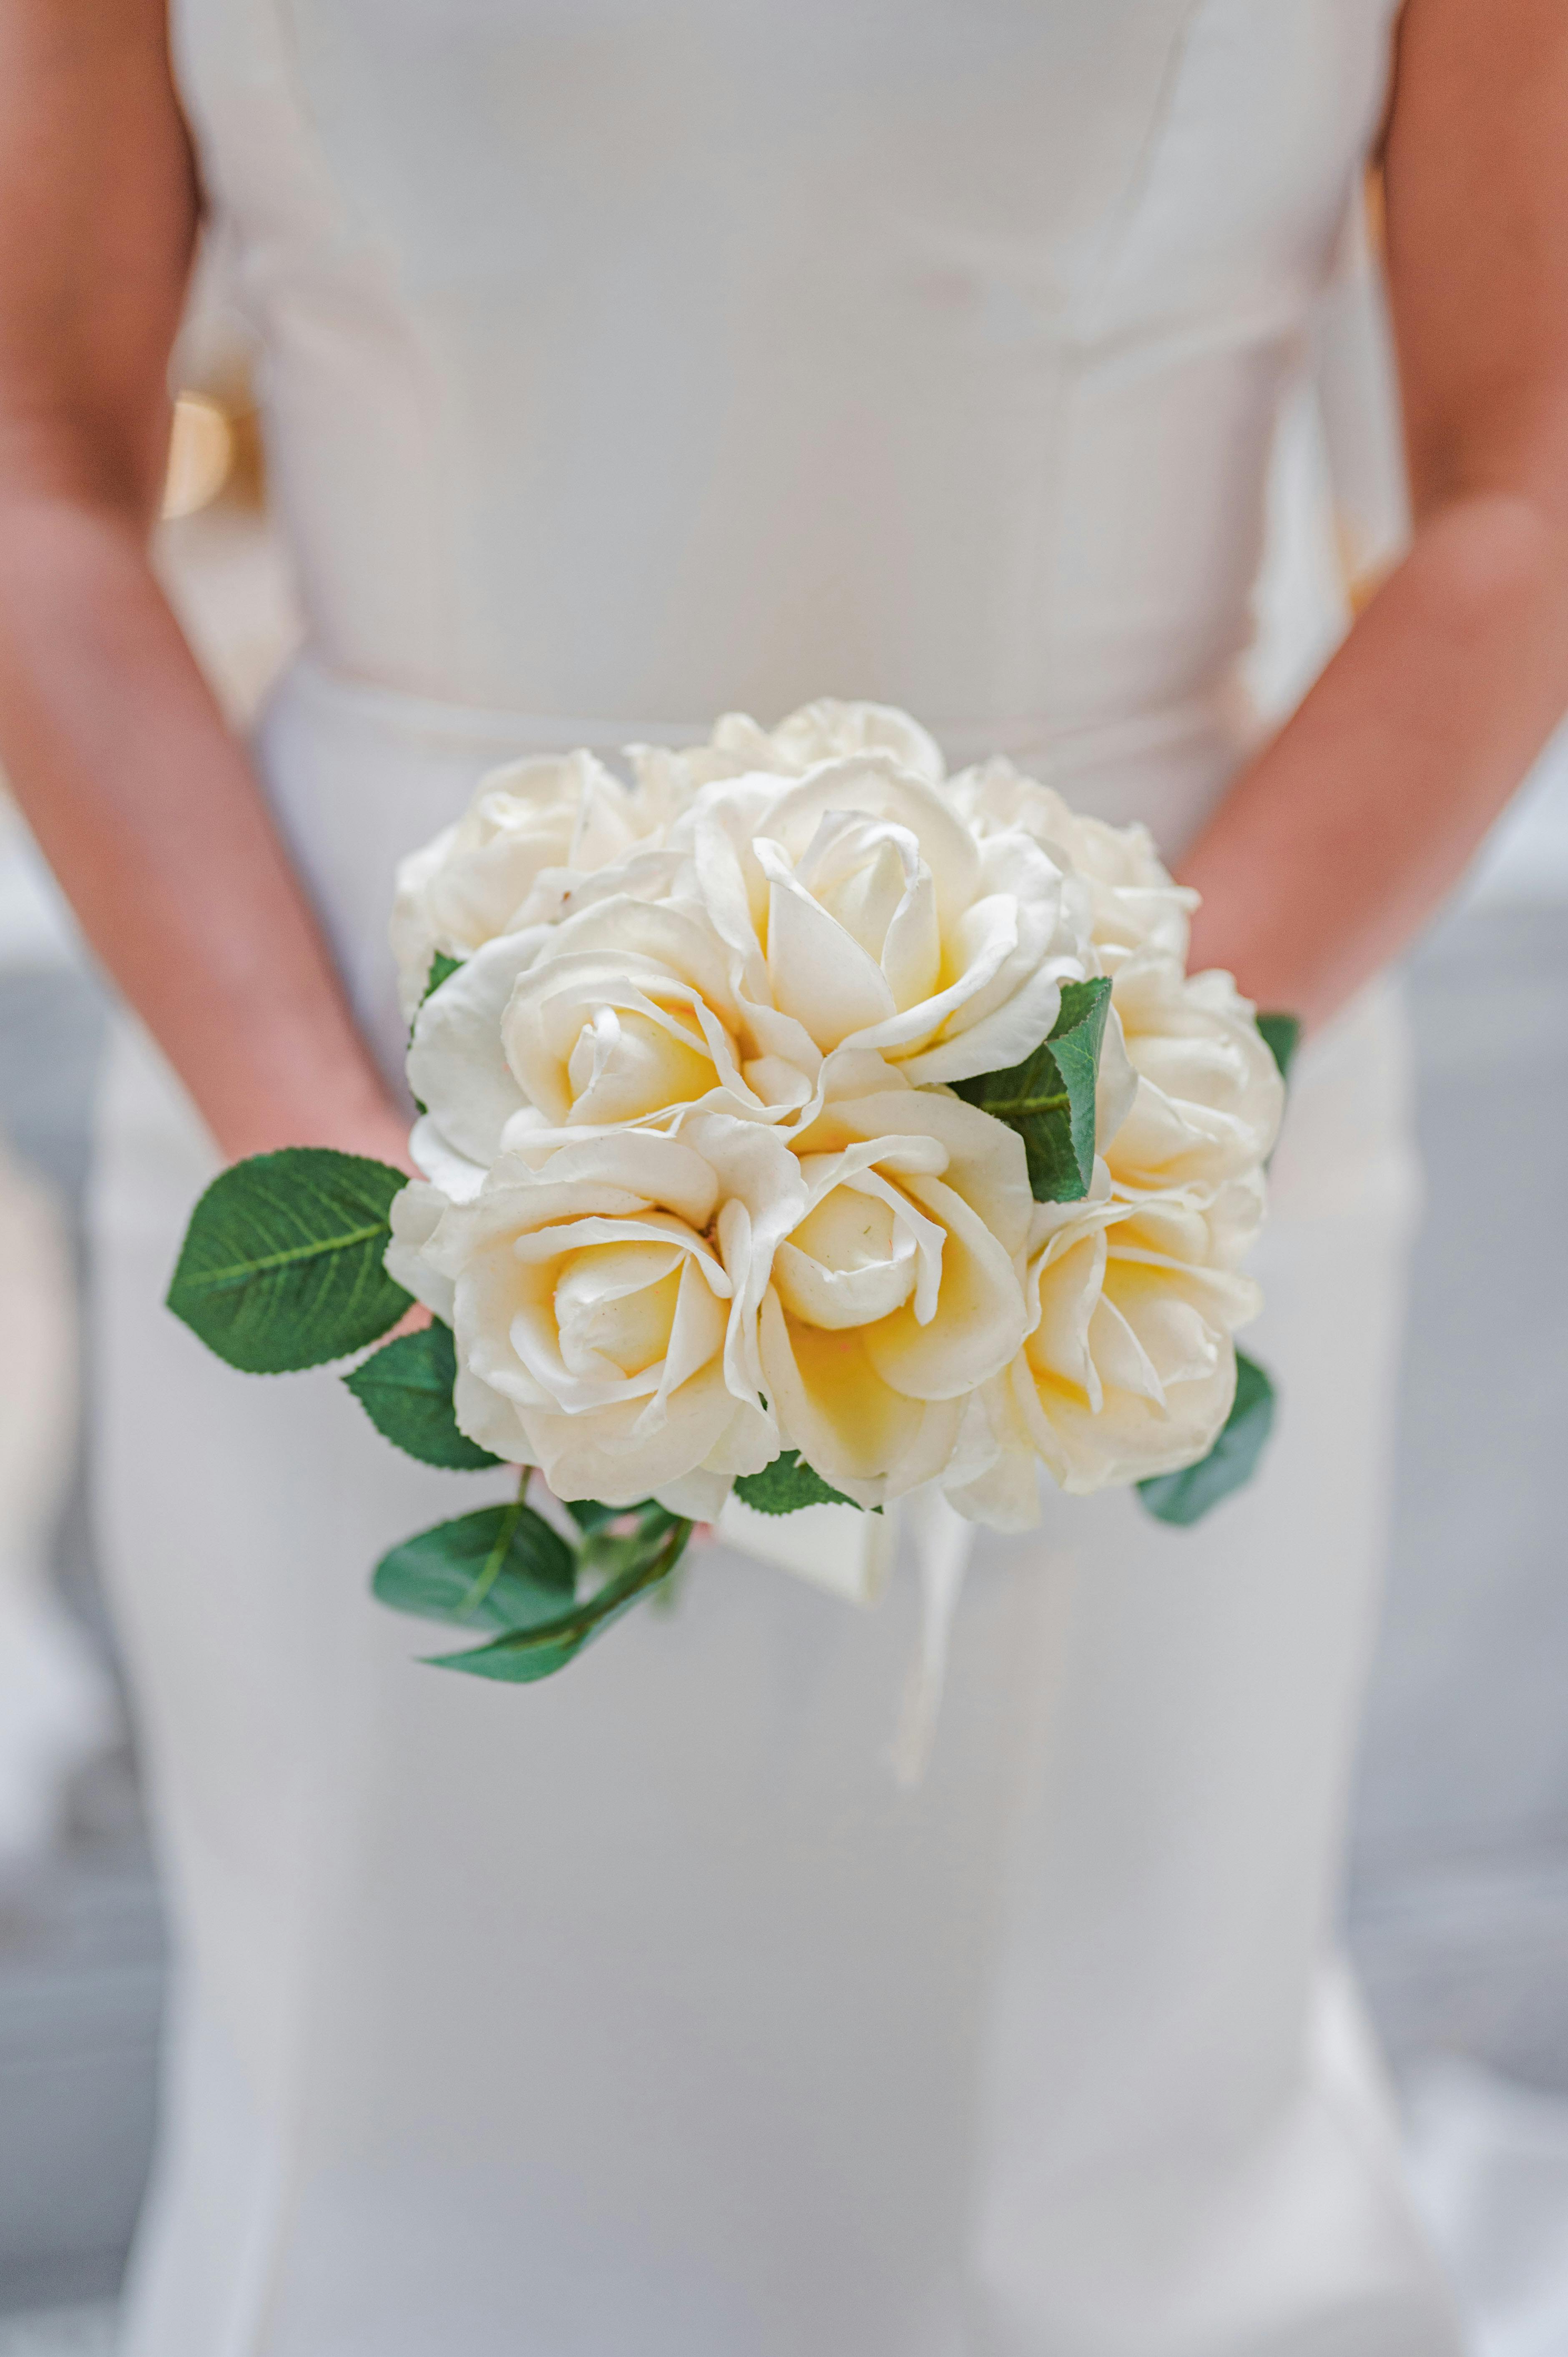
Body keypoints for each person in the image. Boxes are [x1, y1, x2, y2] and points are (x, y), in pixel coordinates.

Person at [2, 2, 1565, 2349]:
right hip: (371, 1065)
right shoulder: (361, 1168)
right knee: (418, 2121)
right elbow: (33, 454)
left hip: (1160, 1088)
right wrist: (378, 1189)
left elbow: (1522, 480)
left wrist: (1072, 1126)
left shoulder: (1123, 1120)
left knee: (1088, 2132)